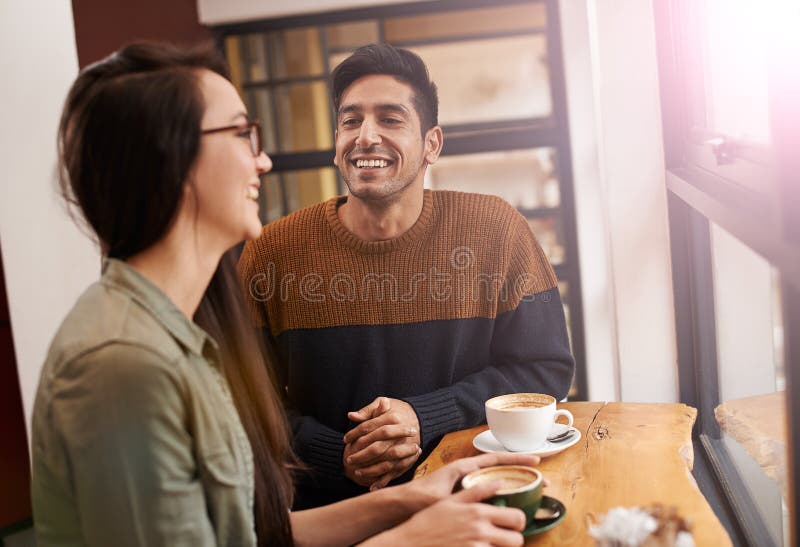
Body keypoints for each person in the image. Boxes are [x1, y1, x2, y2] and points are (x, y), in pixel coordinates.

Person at [30, 42, 541, 547]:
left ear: (432, 143)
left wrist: (409, 500)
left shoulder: (173, 337)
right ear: (173, 159)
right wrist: (411, 539)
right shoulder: (125, 365)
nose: (264, 161)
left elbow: (253, 535)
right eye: (241, 134)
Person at [237, 43, 575, 509]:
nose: (366, 137)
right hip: (326, 516)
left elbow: (545, 371)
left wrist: (425, 417)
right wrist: (341, 456)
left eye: (390, 119)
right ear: (336, 144)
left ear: (431, 144)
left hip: (473, 500)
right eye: (350, 121)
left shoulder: (497, 230)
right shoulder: (271, 252)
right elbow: (241, 403)